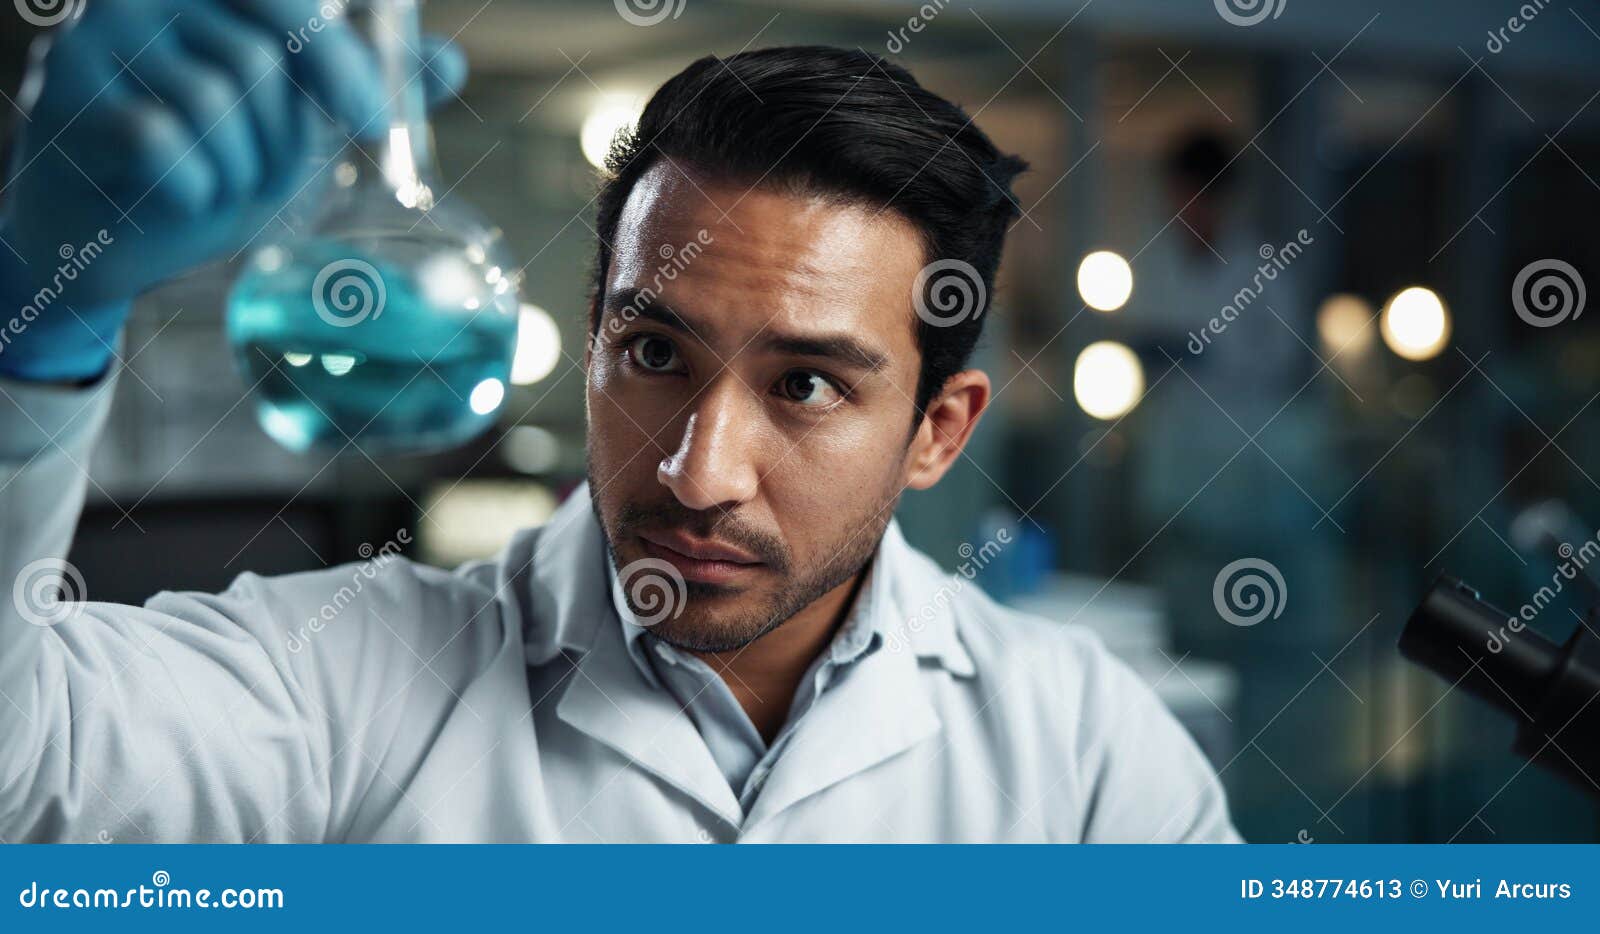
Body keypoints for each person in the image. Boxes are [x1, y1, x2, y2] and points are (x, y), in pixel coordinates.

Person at [0, 0, 1240, 842]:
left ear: (938, 430)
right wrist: (33, 303)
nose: (699, 474)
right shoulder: (351, 678)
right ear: (591, 340)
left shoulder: (1086, 757)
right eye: (653, 352)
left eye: (806, 384)